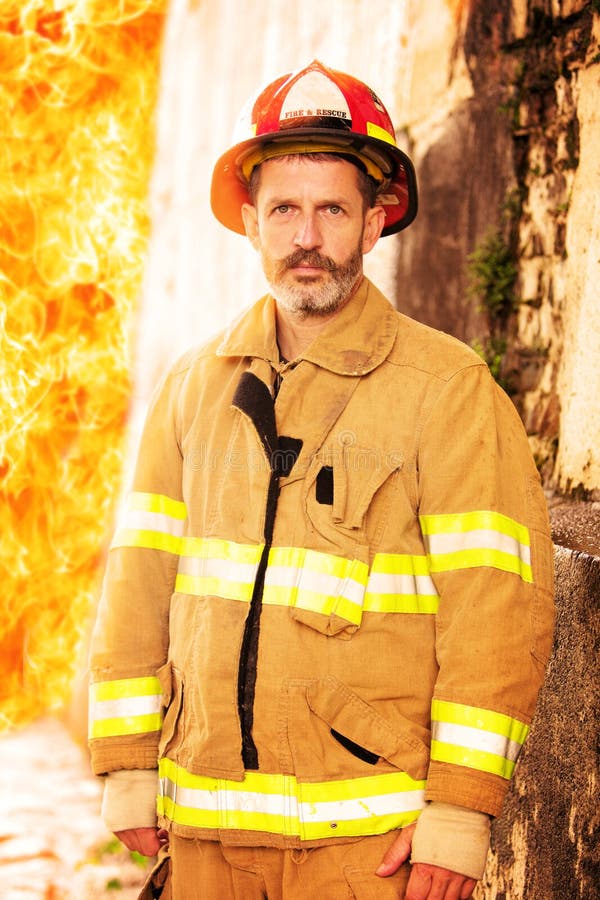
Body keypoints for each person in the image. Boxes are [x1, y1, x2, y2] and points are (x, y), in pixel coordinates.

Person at [88, 60, 555, 899]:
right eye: (285, 210)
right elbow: (138, 581)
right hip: (205, 833)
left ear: (374, 223)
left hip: (368, 846)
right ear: (250, 221)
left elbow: (497, 606)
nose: (307, 237)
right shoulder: (195, 386)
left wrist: (460, 810)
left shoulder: (447, 389)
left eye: (333, 210)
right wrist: (125, 763)